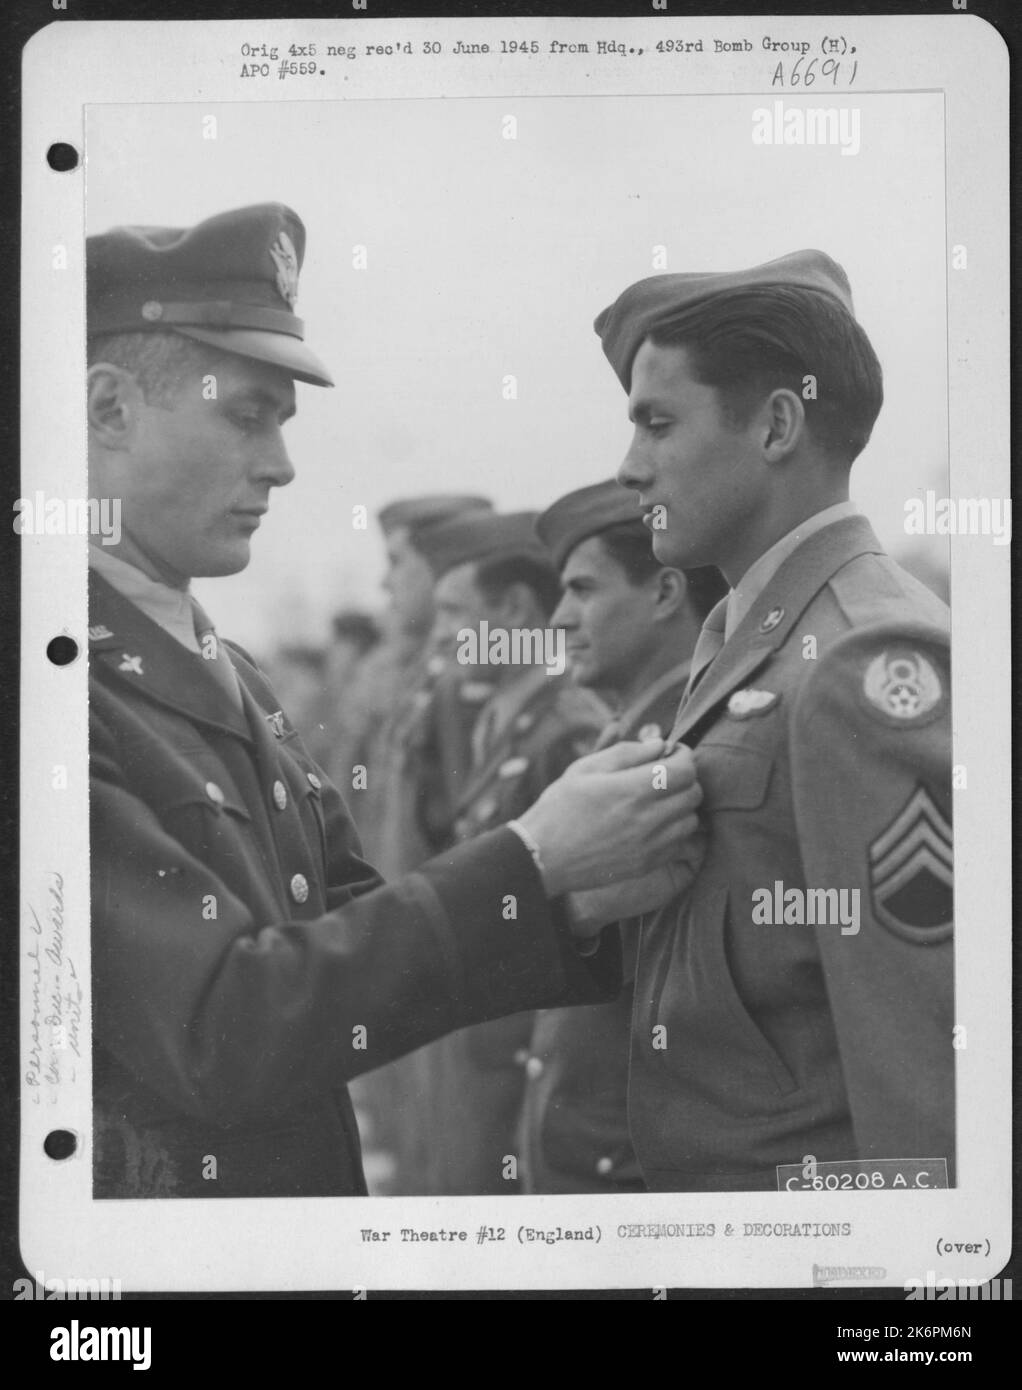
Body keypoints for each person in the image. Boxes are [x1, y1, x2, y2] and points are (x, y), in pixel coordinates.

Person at [84, 203, 704, 1199]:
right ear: (108, 409)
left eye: (282, 424)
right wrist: (533, 855)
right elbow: (221, 1025)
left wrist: (565, 891)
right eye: (246, 415)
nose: (281, 464)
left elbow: (341, 916)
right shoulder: (54, 689)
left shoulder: (223, 669)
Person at [593, 248, 954, 1191]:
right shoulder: (747, 636)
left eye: (658, 424)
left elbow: (924, 1061)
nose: (629, 468)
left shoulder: (861, 661)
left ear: (778, 425)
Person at [372, 510, 609, 1195]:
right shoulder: (501, 724)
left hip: (518, 1055)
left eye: (456, 612)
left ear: (511, 610)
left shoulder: (567, 731)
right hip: (474, 1037)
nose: (441, 634)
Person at [517, 480, 727, 1193]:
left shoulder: (685, 751)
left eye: (583, 591)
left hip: (633, 1171)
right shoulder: (624, 739)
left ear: (666, 593)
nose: (559, 617)